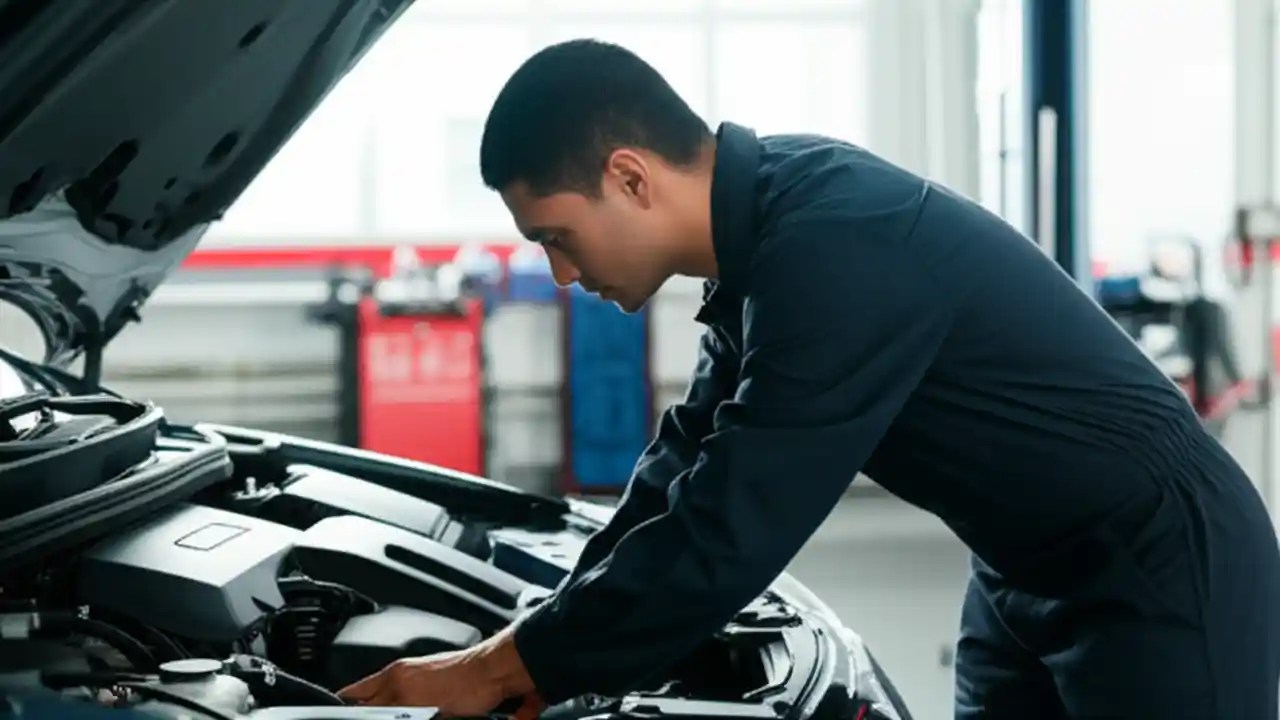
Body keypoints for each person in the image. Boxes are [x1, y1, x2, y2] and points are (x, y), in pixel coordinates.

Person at [337, 39, 1280, 719]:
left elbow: (739, 517)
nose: (563, 275)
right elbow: (685, 467)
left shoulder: (834, 247)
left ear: (629, 179)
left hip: (1157, 565)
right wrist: (530, 636)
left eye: (557, 238)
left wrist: (518, 664)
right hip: (1022, 564)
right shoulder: (759, 236)